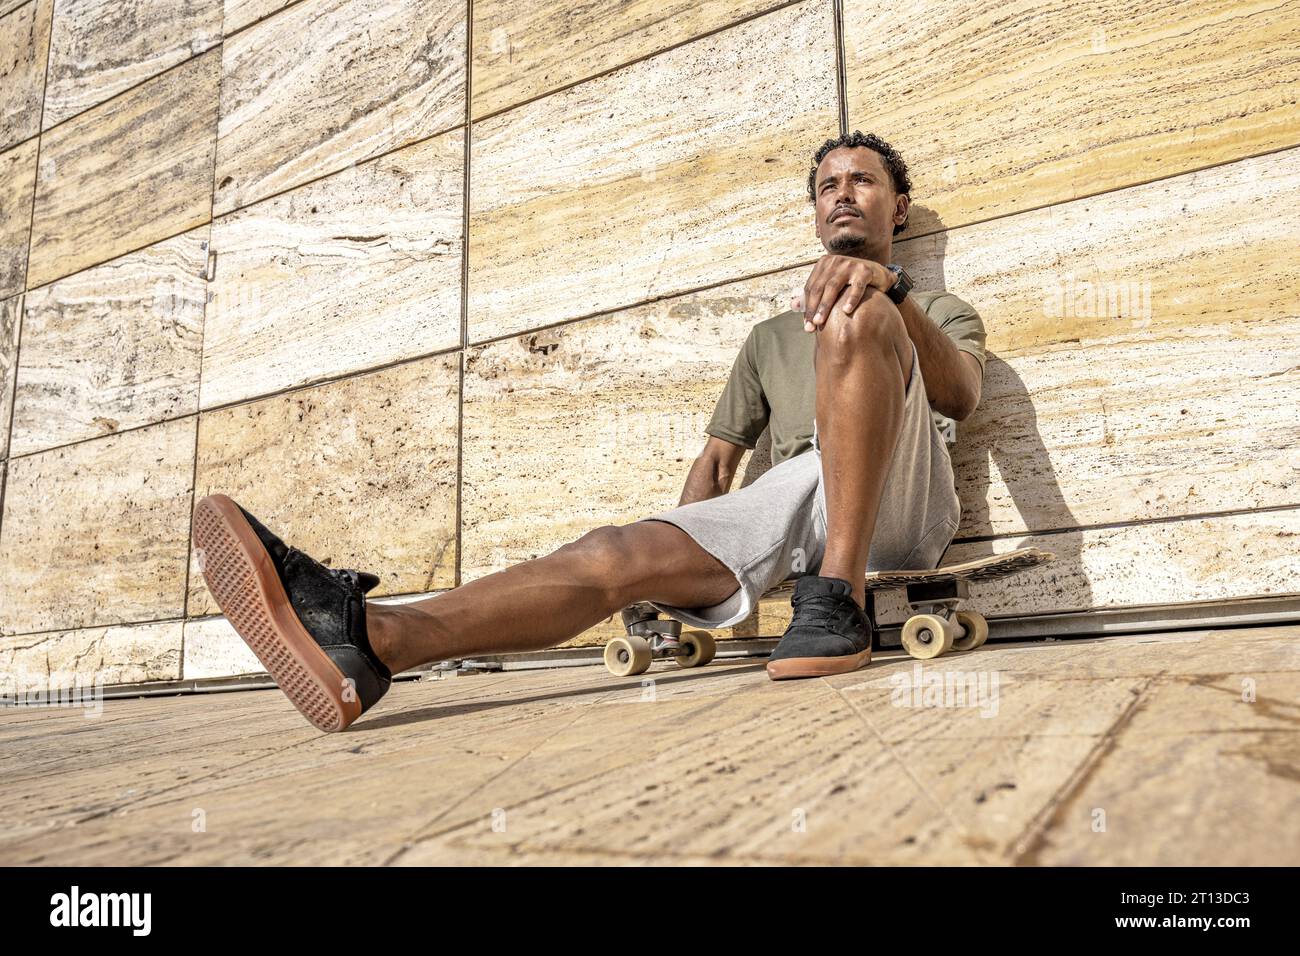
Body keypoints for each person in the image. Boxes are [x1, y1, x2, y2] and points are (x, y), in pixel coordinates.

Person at [191, 130, 987, 733]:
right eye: (828, 185)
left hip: (898, 500)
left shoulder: (932, 309)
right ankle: (376, 641)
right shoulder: (769, 338)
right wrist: (671, 567)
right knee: (613, 553)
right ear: (814, 212)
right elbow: (718, 464)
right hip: (795, 500)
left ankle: (839, 601)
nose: (843, 194)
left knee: (858, 311)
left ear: (897, 207)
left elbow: (961, 396)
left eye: (863, 181)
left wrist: (892, 293)